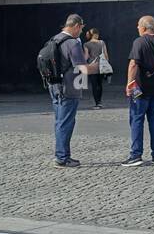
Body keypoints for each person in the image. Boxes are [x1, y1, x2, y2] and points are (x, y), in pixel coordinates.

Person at [46, 14, 95, 167]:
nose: (81, 32)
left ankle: (63, 154)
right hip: (69, 87)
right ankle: (62, 157)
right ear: (76, 26)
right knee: (66, 122)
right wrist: (98, 66)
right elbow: (83, 69)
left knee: (60, 122)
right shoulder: (73, 43)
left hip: (54, 86)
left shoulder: (54, 39)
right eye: (81, 29)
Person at [122, 16, 154, 166]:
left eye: (138, 26)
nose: (137, 28)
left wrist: (129, 83)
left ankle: (135, 155)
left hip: (140, 87)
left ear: (143, 27)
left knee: (136, 118)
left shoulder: (139, 42)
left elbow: (134, 64)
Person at [83, 27, 110, 109]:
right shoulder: (102, 42)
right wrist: (107, 64)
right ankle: (100, 102)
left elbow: (86, 56)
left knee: (94, 85)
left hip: (92, 66)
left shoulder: (86, 44)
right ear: (95, 34)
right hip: (101, 66)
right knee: (100, 84)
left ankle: (97, 103)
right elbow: (106, 55)